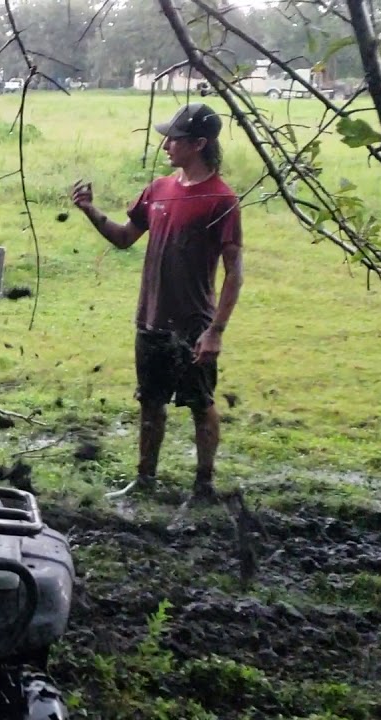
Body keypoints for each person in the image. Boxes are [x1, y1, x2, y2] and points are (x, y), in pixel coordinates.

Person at [70, 102, 244, 499]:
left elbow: (235, 271)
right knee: (150, 403)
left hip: (194, 325)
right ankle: (145, 479)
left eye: (175, 139)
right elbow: (123, 237)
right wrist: (89, 210)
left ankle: (204, 485)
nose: (166, 144)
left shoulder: (222, 200)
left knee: (201, 403)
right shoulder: (159, 189)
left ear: (199, 144)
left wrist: (215, 331)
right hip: (150, 318)